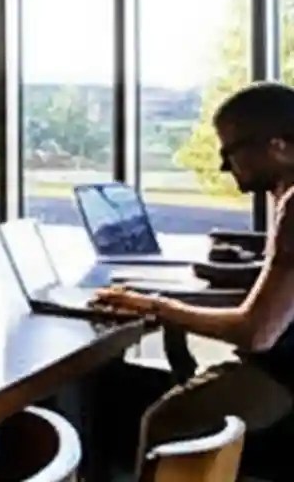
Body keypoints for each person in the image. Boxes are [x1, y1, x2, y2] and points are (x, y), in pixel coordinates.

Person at [95, 82, 294, 476]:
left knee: (165, 421)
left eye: (231, 151)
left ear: (277, 146)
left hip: (287, 377)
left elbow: (257, 333)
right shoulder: (286, 192)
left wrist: (157, 306)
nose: (224, 166)